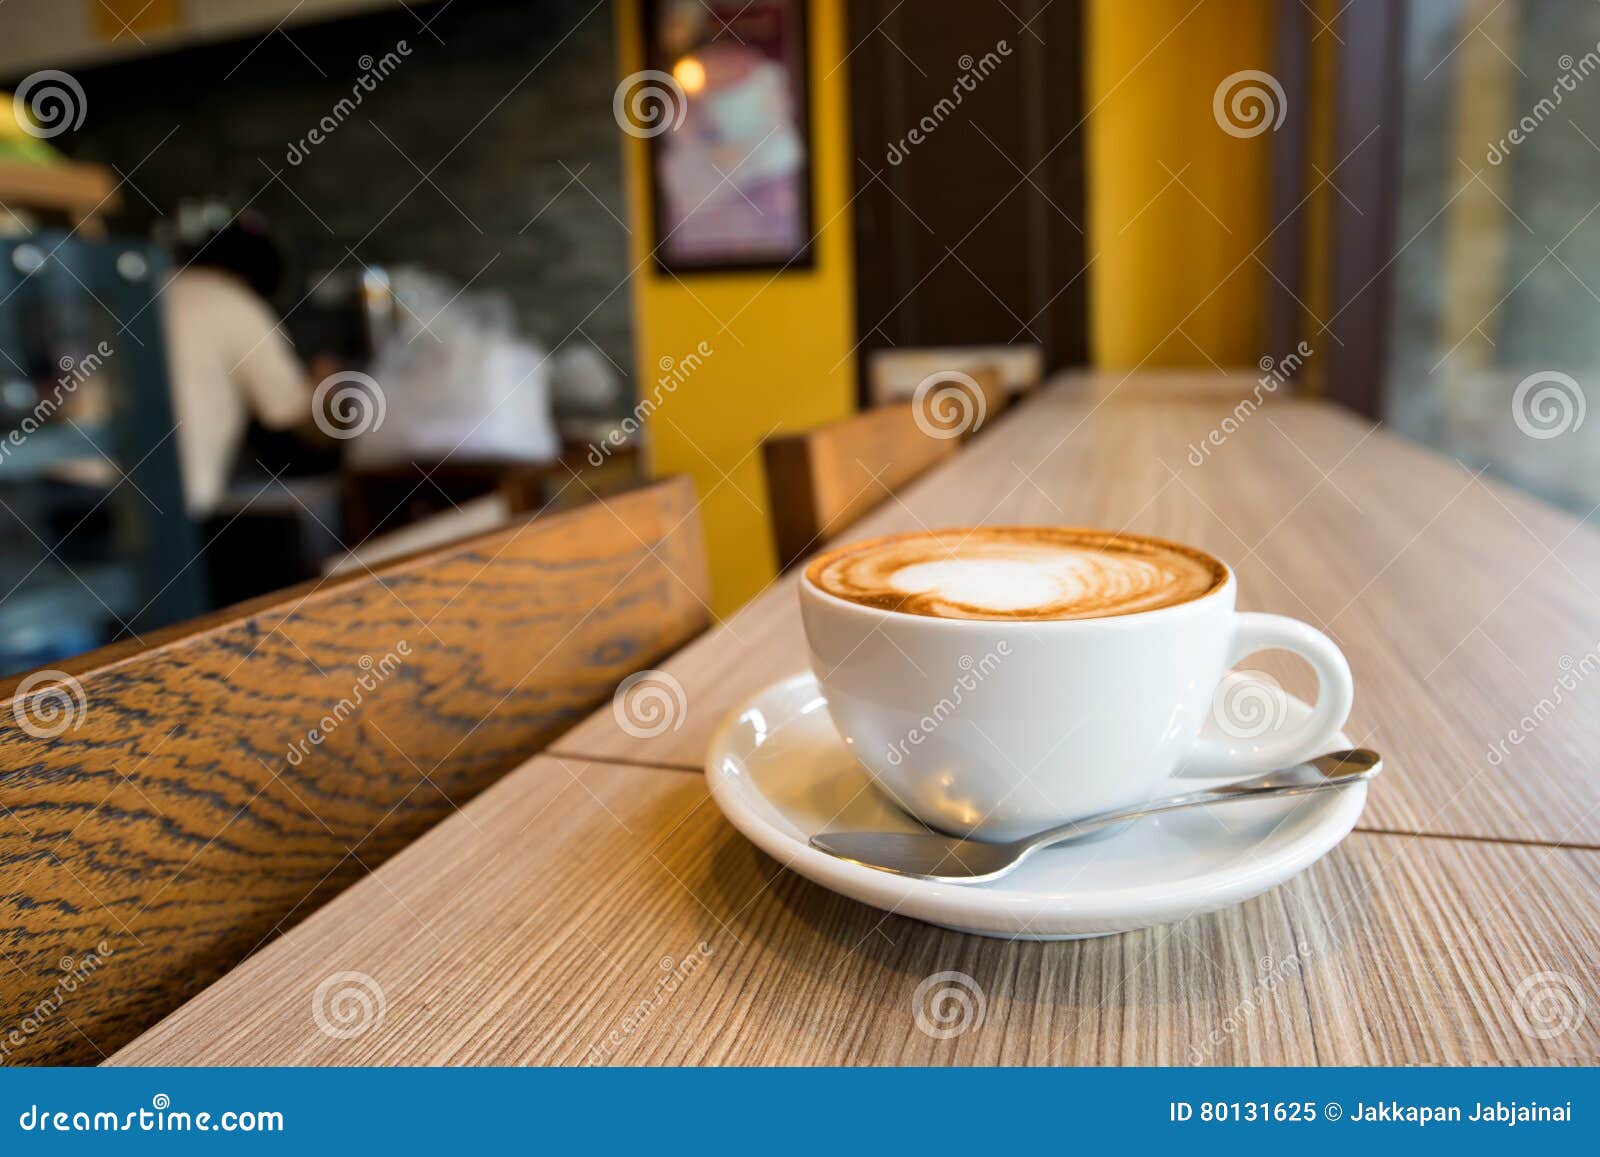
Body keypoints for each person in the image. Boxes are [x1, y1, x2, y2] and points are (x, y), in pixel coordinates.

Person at [159, 218, 331, 518]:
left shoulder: (151, 286)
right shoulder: (237, 303)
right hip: (160, 504)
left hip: (77, 482)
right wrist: (327, 391)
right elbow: (296, 418)